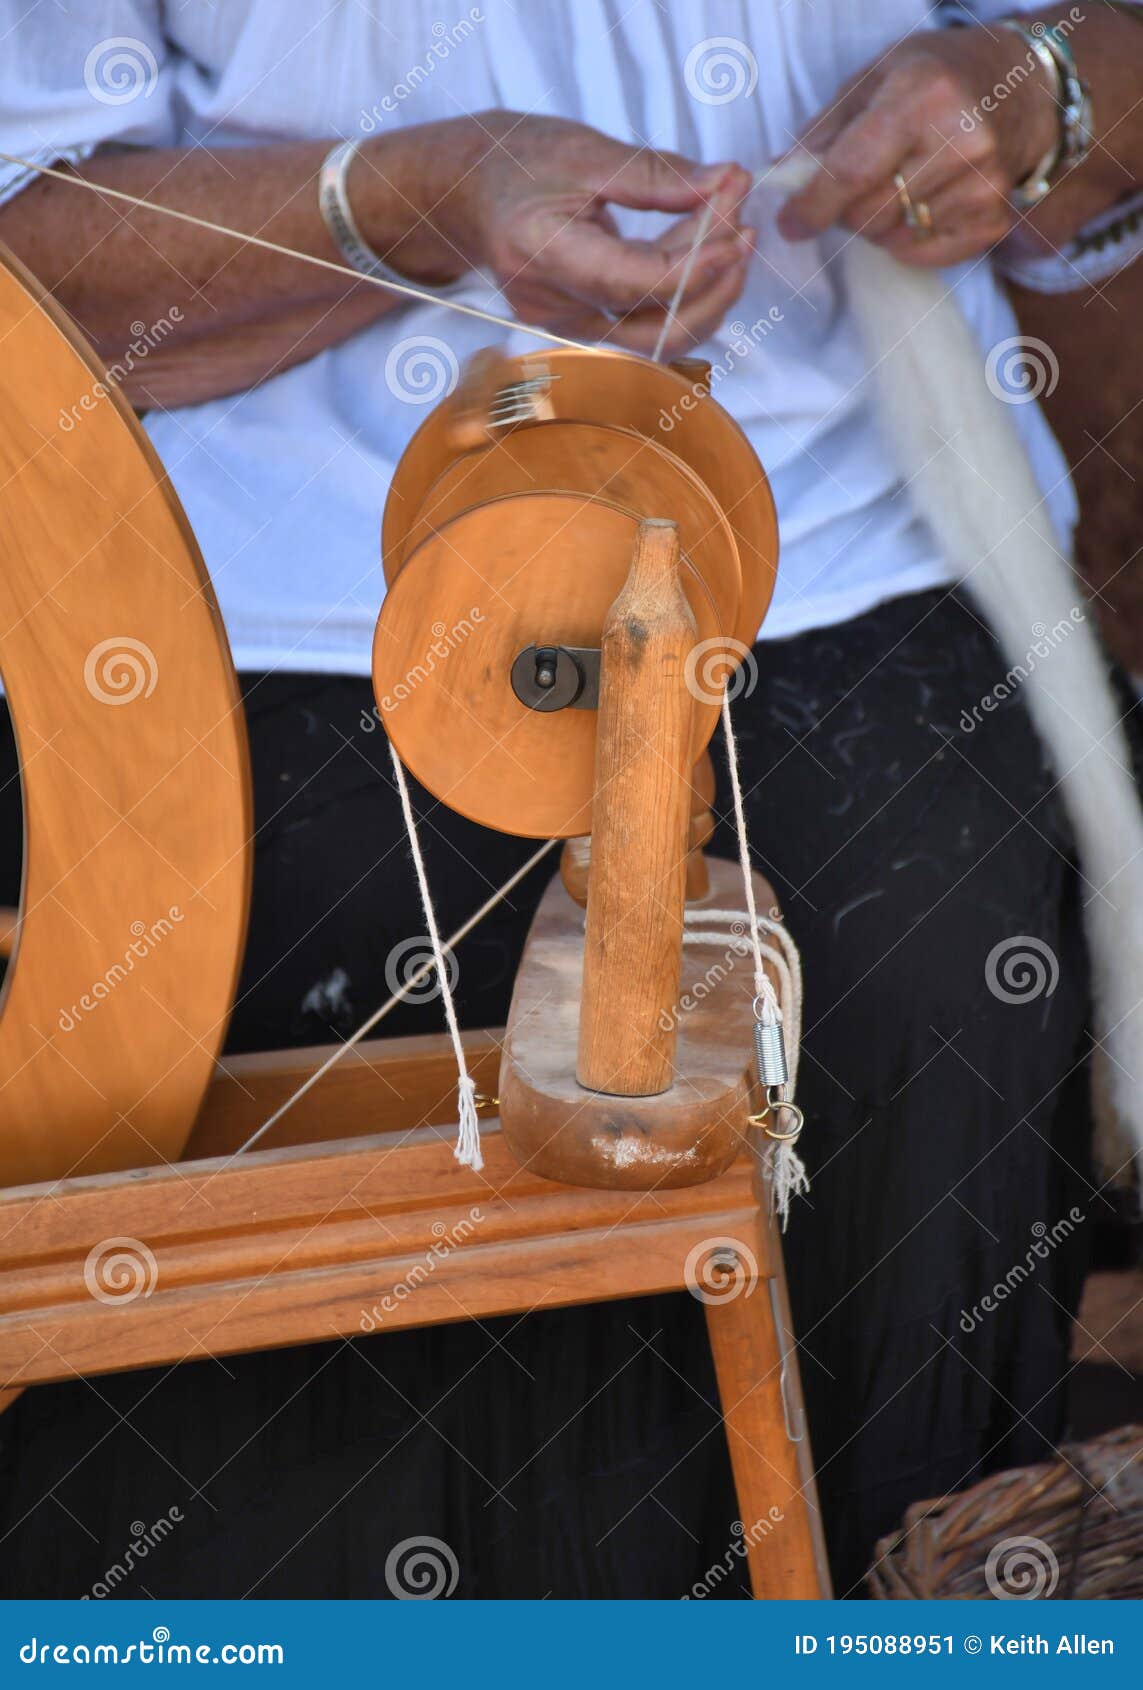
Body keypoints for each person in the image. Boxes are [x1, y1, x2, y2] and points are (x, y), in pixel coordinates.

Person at [0, 0, 1140, 1599]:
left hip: (865, 575)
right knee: (296, 1444)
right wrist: (417, 195)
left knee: (903, 1402)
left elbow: (1110, 79)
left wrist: (1041, 90)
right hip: (245, 635)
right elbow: (26, 239)